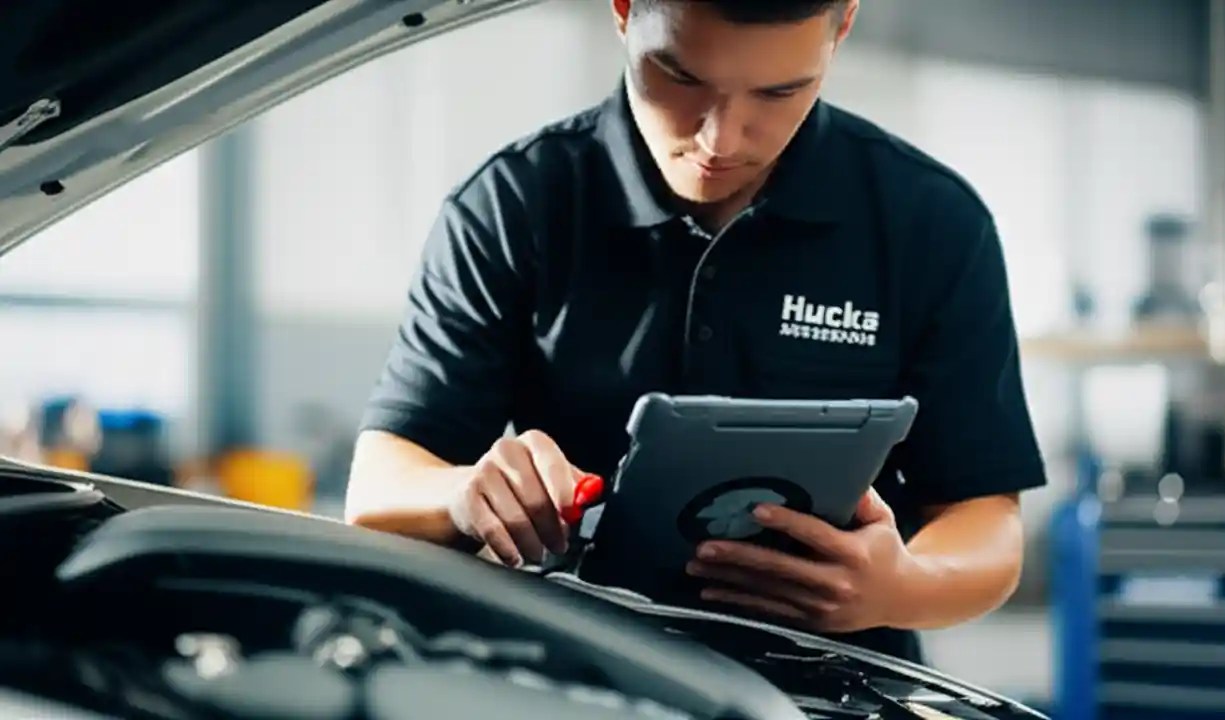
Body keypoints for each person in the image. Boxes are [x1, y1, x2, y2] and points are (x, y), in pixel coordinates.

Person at [345, 0, 1047, 664]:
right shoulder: (512, 206)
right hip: (578, 683)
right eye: (679, 76)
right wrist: (464, 494)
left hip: (834, 691)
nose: (720, 138)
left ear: (842, 27)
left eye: (779, 92)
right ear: (622, 9)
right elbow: (377, 492)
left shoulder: (932, 224)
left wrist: (900, 587)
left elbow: (987, 524)